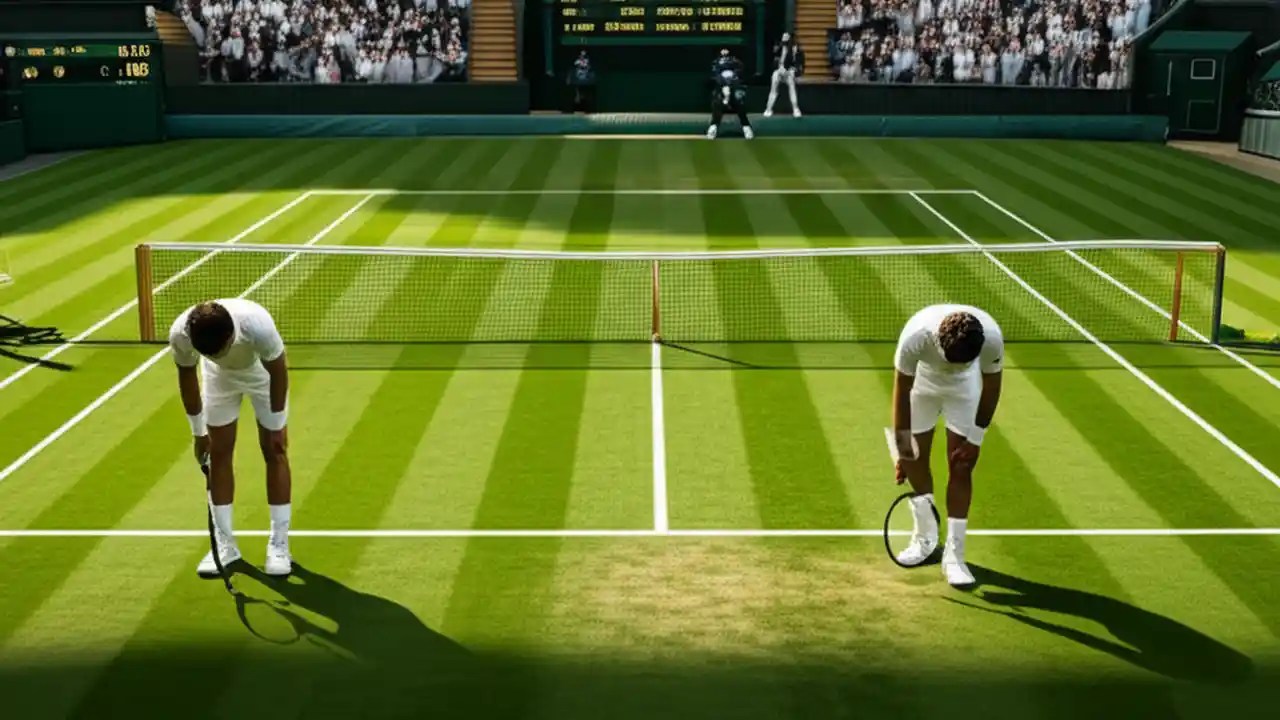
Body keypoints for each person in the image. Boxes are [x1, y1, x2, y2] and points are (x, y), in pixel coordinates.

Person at [170, 299, 293, 578]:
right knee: (219, 453)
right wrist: (198, 432)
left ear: (231, 336)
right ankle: (226, 546)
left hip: (262, 375)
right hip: (219, 381)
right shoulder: (181, 334)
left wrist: (275, 425)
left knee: (275, 451)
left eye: (221, 351)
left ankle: (279, 544)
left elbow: (278, 370)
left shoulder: (256, 325)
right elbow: (187, 375)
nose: (217, 355)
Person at [891, 305, 1004, 587]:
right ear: (938, 343)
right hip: (923, 386)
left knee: (962, 465)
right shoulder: (915, 337)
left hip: (965, 390)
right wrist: (902, 450)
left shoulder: (990, 339)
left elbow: (991, 387)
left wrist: (976, 439)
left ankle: (955, 556)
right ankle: (925, 539)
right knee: (914, 459)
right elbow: (901, 391)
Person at [707, 48, 753, 139]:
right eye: (723, 56)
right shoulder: (715, 64)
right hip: (721, 89)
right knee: (717, 102)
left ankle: (746, 128)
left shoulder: (737, 64)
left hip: (735, 88)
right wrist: (724, 86)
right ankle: (713, 127)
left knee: (739, 100)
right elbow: (715, 76)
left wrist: (730, 84)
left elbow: (740, 74)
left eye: (727, 56)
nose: (725, 57)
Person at [764, 32, 803, 117]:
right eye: (783, 36)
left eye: (786, 37)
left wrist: (792, 70)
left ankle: (796, 109)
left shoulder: (794, 48)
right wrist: (778, 69)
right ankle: (768, 109)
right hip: (778, 72)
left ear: (790, 38)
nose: (784, 38)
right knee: (773, 89)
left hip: (788, 72)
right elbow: (773, 61)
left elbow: (797, 63)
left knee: (792, 87)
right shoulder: (778, 48)